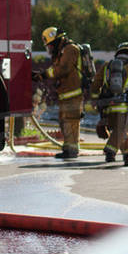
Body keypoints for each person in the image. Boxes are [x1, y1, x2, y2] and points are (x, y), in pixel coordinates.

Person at [91, 41, 128, 166]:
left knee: (120, 131)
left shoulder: (107, 66)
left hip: (107, 108)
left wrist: (96, 100)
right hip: (124, 108)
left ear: (118, 53)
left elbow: (95, 84)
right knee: (122, 130)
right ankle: (110, 151)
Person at [41, 26, 83, 159]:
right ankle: (67, 148)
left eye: (50, 45)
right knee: (64, 122)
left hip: (73, 94)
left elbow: (62, 69)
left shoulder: (70, 49)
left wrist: (44, 75)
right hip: (65, 95)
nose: (49, 49)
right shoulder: (60, 52)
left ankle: (72, 150)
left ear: (56, 41)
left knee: (71, 121)